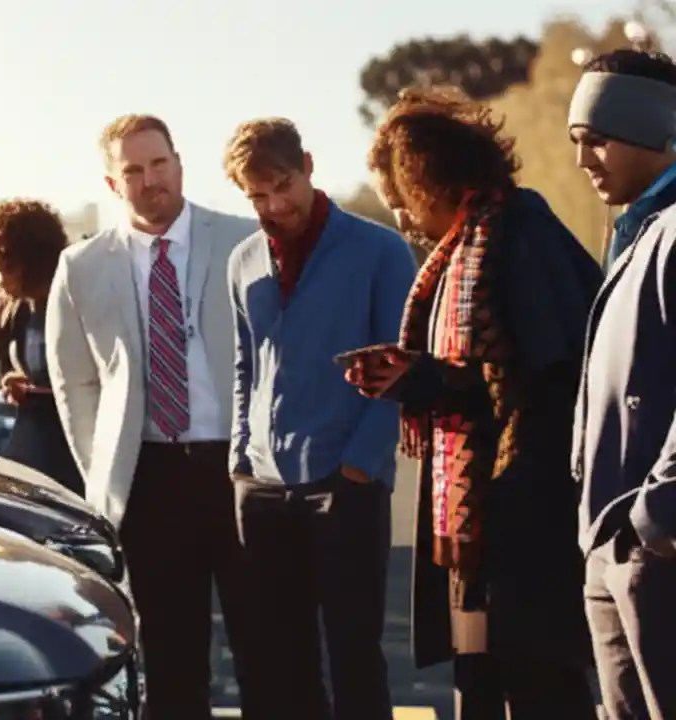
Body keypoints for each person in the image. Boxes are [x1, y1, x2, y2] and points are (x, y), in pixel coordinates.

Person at [348, 87, 602, 720]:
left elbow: (551, 373)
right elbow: (481, 375)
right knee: (482, 680)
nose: (403, 220)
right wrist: (412, 377)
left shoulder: (521, 232)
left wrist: (434, 382)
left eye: (401, 202)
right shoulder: (462, 247)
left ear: (426, 184)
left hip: (527, 522)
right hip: (481, 526)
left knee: (541, 686)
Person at [45, 113, 257, 719]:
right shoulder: (81, 267)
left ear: (179, 165)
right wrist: (103, 471)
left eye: (159, 164)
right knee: (168, 662)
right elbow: (75, 381)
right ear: (114, 185)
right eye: (133, 170)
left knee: (266, 647)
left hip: (240, 470)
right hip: (150, 479)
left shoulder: (246, 240)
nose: (149, 179)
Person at [222, 117, 415, 720]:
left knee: (355, 656)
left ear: (308, 165)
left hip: (345, 484)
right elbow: (244, 362)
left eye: (282, 184)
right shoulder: (243, 260)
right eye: (257, 195)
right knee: (283, 658)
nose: (275, 205)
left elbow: (404, 368)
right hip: (262, 487)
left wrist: (360, 465)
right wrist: (240, 454)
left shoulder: (381, 249)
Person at [569, 49, 676, 720]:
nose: (584, 161)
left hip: (655, 554)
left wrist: (656, 520)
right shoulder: (636, 232)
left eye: (596, 140)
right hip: (617, 548)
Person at [0, 199, 83, 496]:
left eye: (7, 268)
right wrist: (9, 379)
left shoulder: (77, 300)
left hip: (77, 442)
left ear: (34, 261)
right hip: (31, 438)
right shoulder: (8, 307)